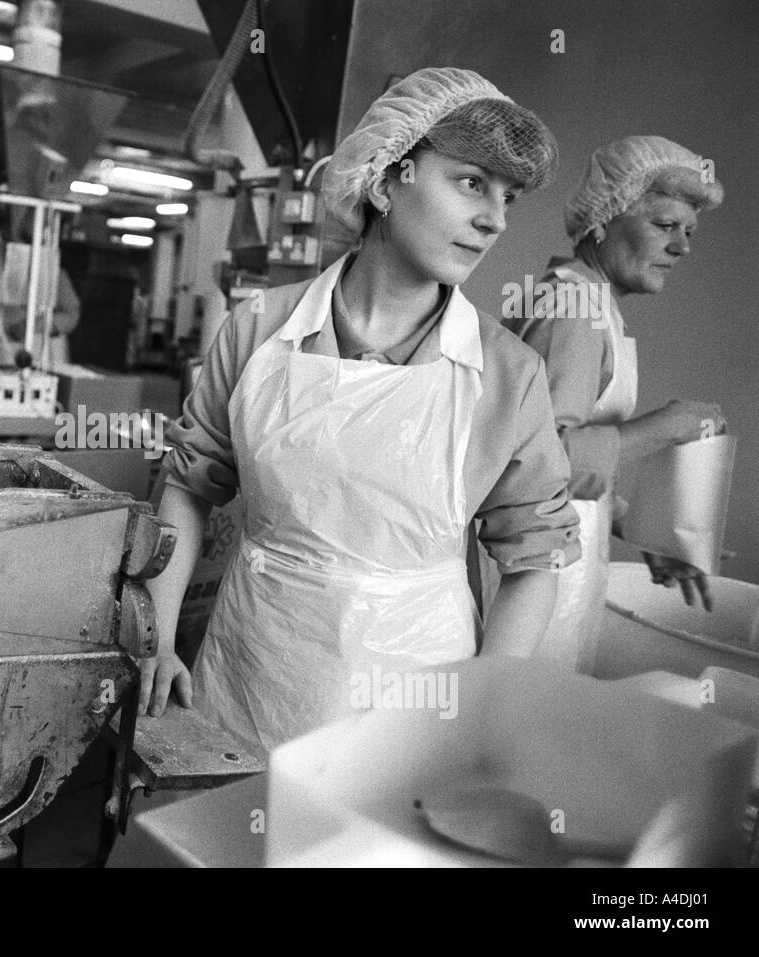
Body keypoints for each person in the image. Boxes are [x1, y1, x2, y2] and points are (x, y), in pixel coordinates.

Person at [141, 68, 581, 754]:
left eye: (509, 197)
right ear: (384, 178)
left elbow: (535, 560)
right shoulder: (260, 329)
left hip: (414, 707)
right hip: (252, 677)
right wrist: (159, 640)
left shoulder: (505, 375)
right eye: (471, 182)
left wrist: (480, 709)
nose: (495, 218)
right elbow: (188, 485)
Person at [503, 135, 725, 671]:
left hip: (561, 556)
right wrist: (664, 427)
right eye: (665, 225)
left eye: (689, 232)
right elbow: (534, 464)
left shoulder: (589, 301)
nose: (683, 247)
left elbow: (568, 459)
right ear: (601, 220)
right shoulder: (575, 308)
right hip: (538, 571)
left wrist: (641, 527)